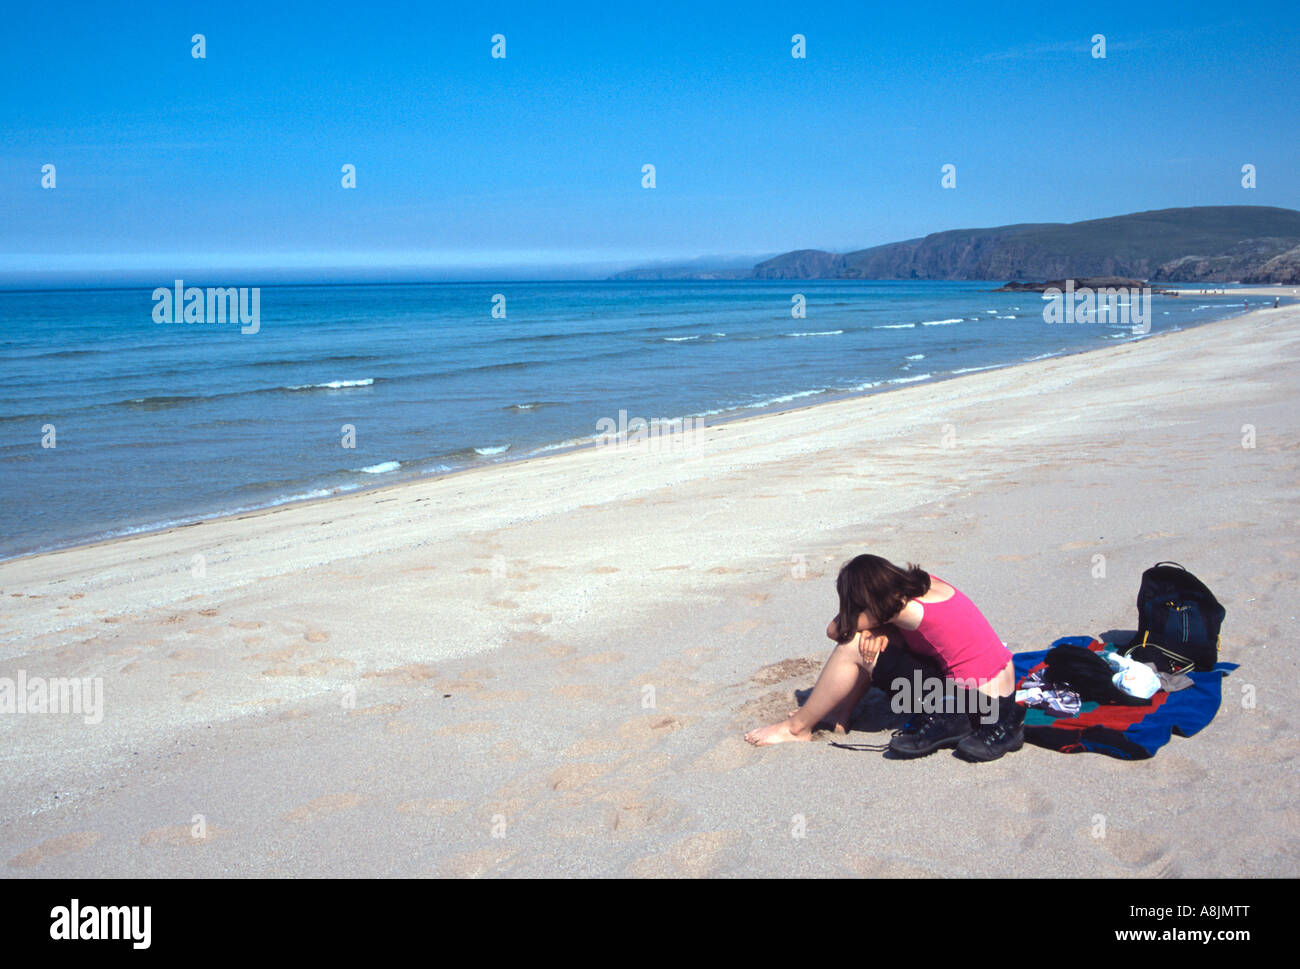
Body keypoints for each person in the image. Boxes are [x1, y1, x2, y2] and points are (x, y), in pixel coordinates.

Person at [744, 554, 1024, 761]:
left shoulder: (895, 610)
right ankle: (840, 714)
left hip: (972, 705)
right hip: (1001, 688)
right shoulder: (925, 584)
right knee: (870, 639)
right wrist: (881, 629)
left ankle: (796, 729)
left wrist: (876, 627)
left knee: (854, 644)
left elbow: (834, 631)